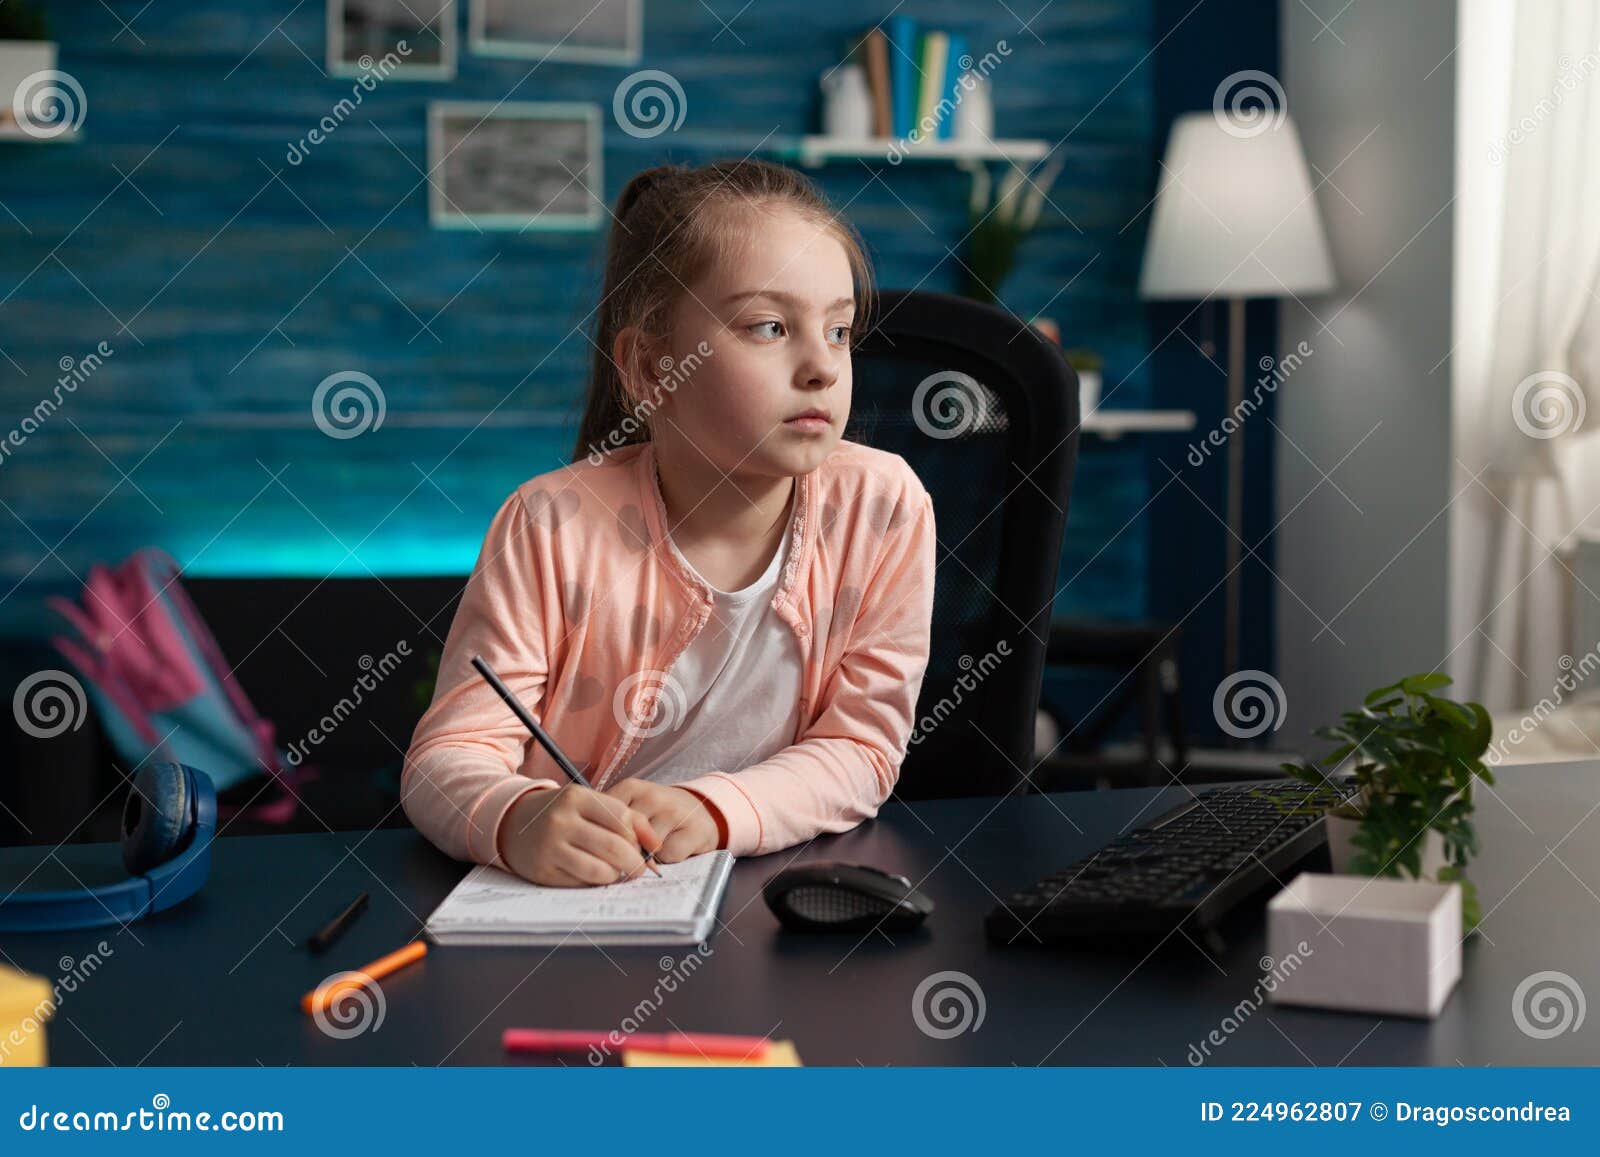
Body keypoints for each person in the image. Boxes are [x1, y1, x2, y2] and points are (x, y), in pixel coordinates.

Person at [403, 159, 936, 886]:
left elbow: (863, 749)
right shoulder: (550, 522)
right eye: (770, 326)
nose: (822, 367)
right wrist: (516, 816)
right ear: (653, 370)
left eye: (840, 330)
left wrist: (713, 809)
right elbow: (444, 760)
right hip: (580, 906)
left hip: (773, 897)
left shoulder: (884, 507)